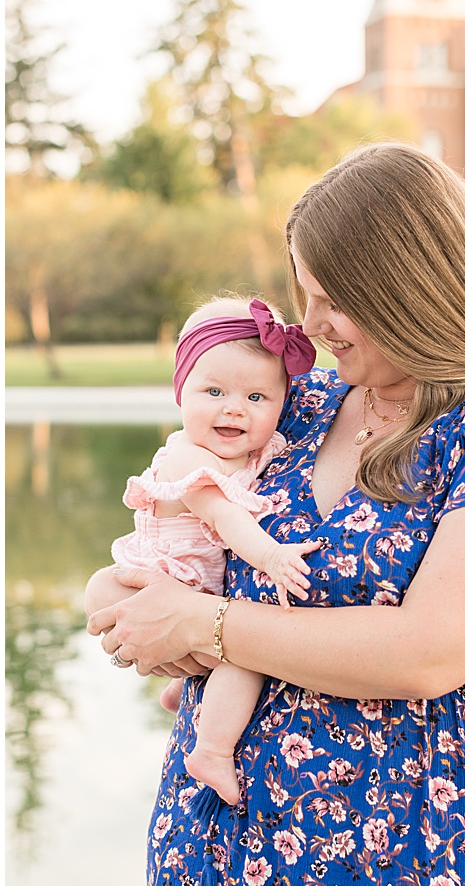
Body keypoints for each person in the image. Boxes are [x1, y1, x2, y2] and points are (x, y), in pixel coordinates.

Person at [85, 142, 465, 885]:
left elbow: (429, 650)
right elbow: (179, 533)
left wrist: (204, 624)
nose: (313, 322)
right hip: (212, 838)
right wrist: (120, 603)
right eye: (305, 293)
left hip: (405, 841)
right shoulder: (300, 406)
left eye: (336, 297)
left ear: (414, 284)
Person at [110, 295, 319, 808]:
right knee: (250, 653)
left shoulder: (250, 451)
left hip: (194, 587)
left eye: (256, 398)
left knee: (232, 638)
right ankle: (212, 749)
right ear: (181, 394)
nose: (233, 407)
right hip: (173, 577)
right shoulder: (188, 456)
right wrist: (272, 557)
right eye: (214, 391)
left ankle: (185, 692)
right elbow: (226, 517)